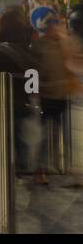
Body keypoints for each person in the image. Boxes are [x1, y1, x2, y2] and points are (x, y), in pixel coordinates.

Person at [0, 6, 39, 179]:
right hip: (22, 95)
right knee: (19, 130)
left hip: (2, 96)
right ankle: (22, 163)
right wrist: (33, 93)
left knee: (7, 130)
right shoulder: (27, 41)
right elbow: (33, 70)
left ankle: (5, 162)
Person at [31, 14, 80, 184]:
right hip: (47, 96)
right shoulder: (39, 45)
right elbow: (33, 71)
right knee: (44, 136)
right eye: (56, 25)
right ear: (49, 27)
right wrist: (33, 92)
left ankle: (69, 170)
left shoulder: (65, 43)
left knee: (67, 136)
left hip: (64, 96)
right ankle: (40, 170)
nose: (60, 29)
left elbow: (72, 64)